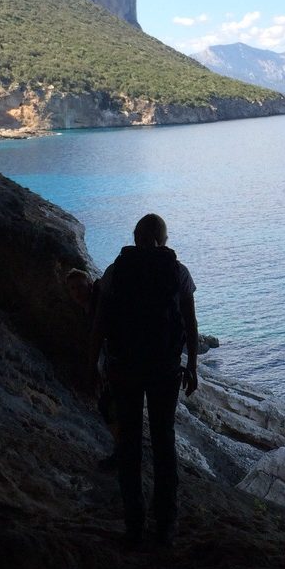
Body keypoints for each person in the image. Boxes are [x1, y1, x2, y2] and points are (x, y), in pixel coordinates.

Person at [91, 214, 199, 548]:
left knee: (129, 445)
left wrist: (92, 364)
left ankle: (134, 524)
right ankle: (165, 524)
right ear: (163, 240)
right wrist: (191, 365)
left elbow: (100, 322)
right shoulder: (177, 272)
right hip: (165, 369)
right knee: (164, 442)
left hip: (124, 369)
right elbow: (190, 323)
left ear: (135, 237)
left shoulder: (115, 271)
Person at [66, 268, 118, 471]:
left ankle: (122, 454)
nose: (77, 292)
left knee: (110, 407)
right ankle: (122, 452)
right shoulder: (91, 307)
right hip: (112, 364)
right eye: (72, 289)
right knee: (109, 407)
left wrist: (96, 368)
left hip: (116, 365)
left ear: (89, 285)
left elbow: (102, 338)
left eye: (80, 286)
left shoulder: (98, 306)